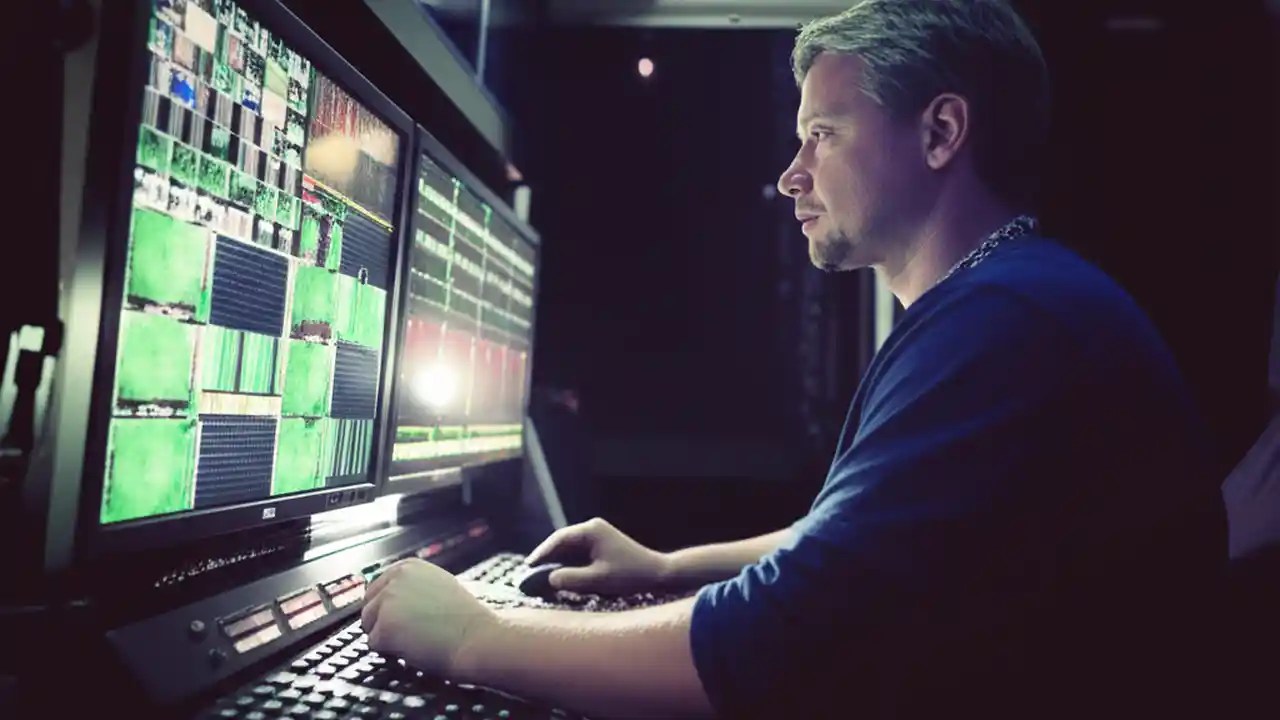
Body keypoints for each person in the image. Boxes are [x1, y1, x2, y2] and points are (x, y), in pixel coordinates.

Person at [361, 1, 1225, 717]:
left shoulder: (1006, 325)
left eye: (823, 133)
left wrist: (472, 637)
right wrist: (666, 570)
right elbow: (854, 545)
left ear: (941, 133)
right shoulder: (1006, 301)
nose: (790, 175)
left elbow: (770, 647)